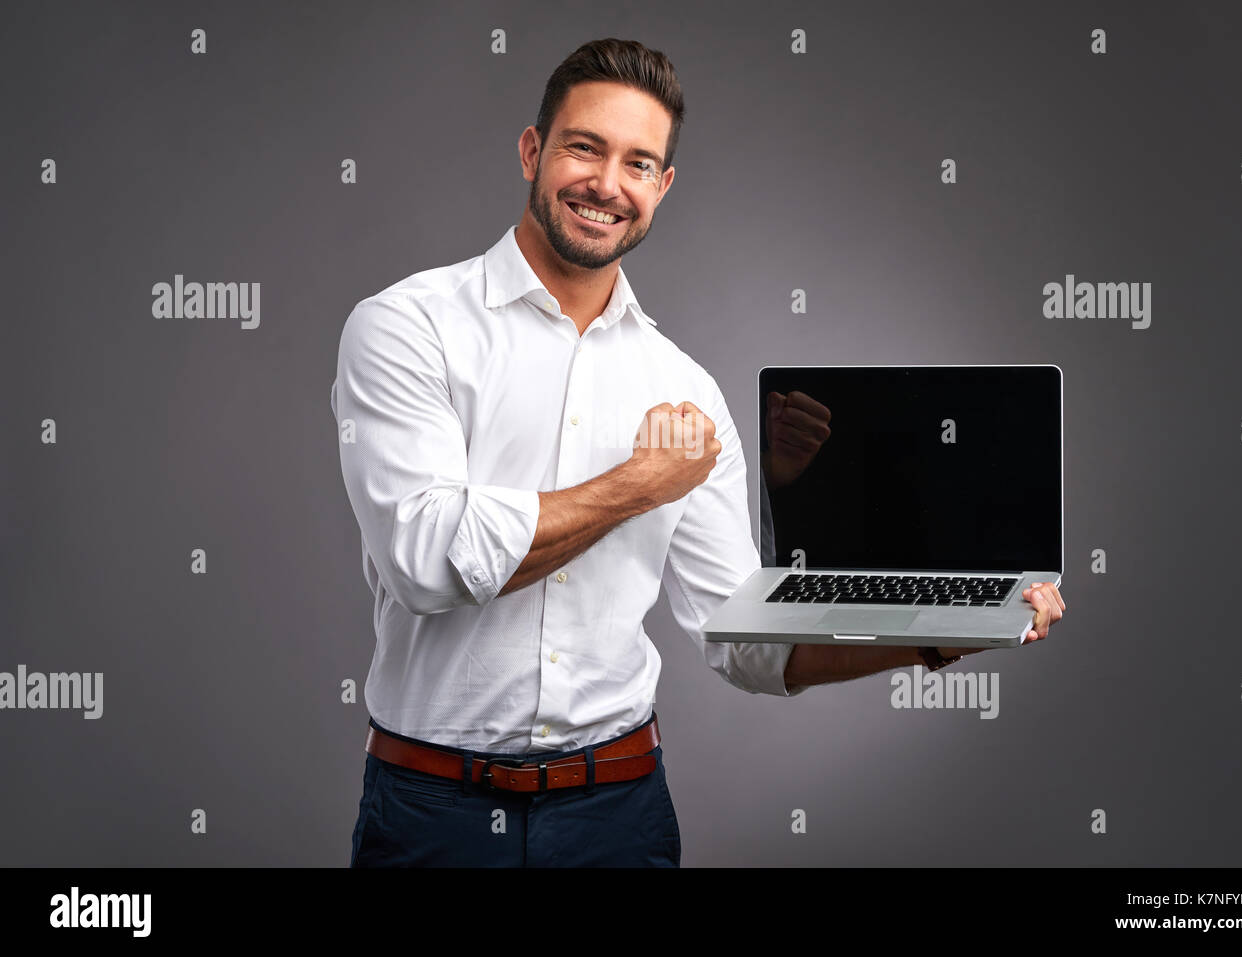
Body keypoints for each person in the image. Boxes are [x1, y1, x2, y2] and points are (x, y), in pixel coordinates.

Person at [330, 38, 1065, 867]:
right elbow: (428, 564)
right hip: (433, 814)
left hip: (619, 812)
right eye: (584, 147)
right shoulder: (407, 327)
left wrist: (946, 632)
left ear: (662, 188)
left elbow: (749, 646)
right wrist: (640, 484)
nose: (608, 184)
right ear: (533, 152)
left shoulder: (685, 388)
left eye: (638, 163)